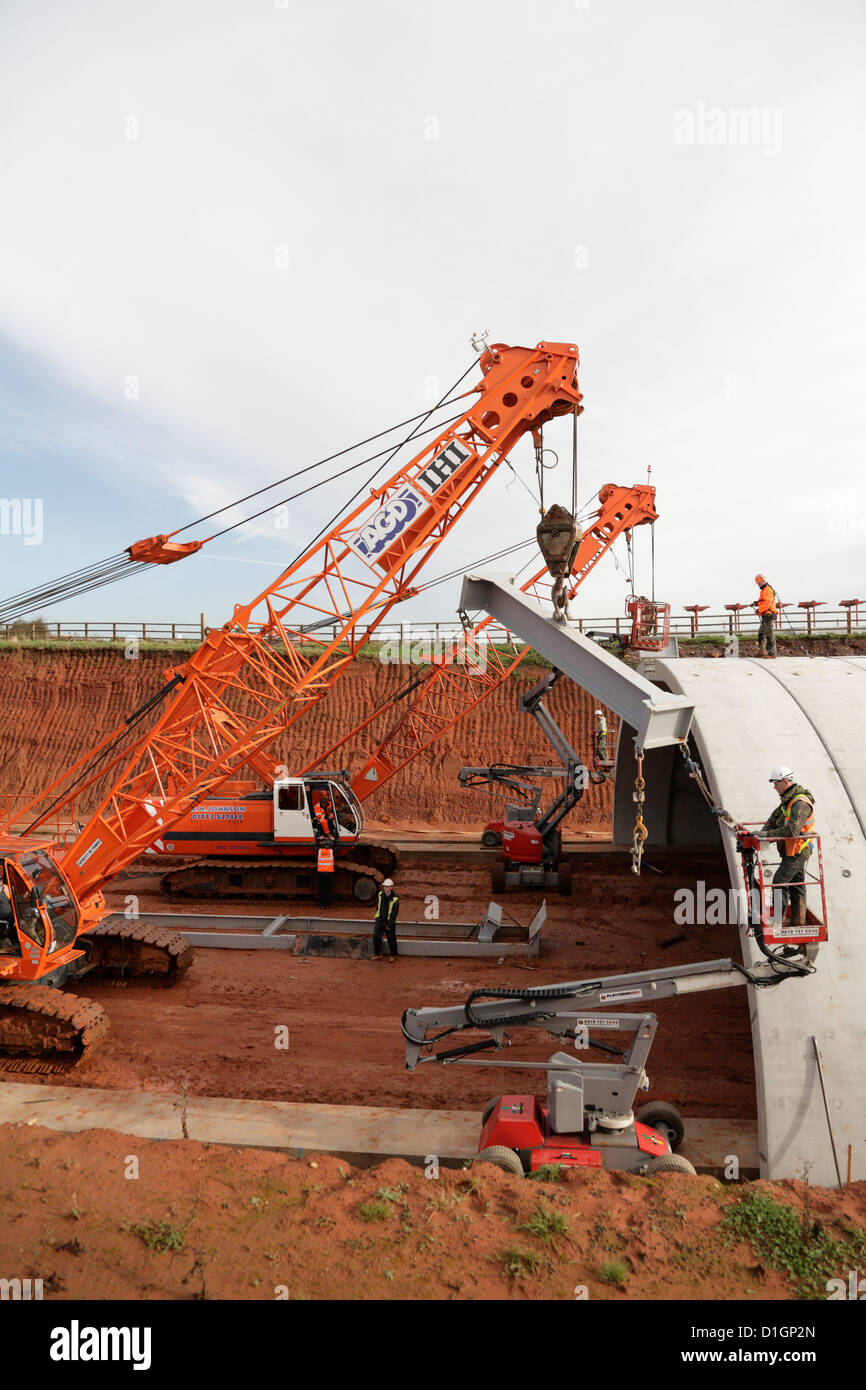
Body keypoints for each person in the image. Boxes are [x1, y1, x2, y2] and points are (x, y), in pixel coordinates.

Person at [759, 767, 815, 926]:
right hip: (792, 850)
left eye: (776, 783)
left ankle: (777, 921)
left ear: (785, 781)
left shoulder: (800, 803)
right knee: (797, 884)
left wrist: (766, 836)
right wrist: (760, 834)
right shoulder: (788, 800)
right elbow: (773, 819)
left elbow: (792, 830)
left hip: (799, 850)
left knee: (779, 882)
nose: (774, 787)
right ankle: (798, 920)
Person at [311, 793, 336, 909]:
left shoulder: (319, 850)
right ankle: (328, 904)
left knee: (321, 889)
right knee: (328, 889)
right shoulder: (331, 850)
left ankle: (321, 904)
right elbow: (322, 821)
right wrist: (328, 835)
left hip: (321, 873)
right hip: (329, 873)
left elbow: (316, 847)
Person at [372, 878, 399, 962]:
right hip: (380, 920)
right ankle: (378, 954)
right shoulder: (380, 895)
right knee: (376, 936)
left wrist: (389, 924)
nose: (385, 888)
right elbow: (378, 907)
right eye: (384, 886)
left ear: (391, 887)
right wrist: (377, 917)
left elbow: (394, 914)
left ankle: (393, 955)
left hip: (389, 922)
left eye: (387, 887)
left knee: (391, 939)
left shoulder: (395, 899)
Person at [753, 573, 778, 658]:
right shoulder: (764, 590)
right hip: (766, 615)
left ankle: (772, 654)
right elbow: (762, 600)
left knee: (769, 634)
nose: (758, 585)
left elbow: (767, 603)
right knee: (761, 633)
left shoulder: (767, 590)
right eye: (758, 583)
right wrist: (756, 603)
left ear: (763, 581)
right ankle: (762, 652)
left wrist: (758, 610)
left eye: (759, 583)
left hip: (769, 615)